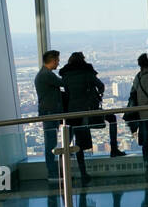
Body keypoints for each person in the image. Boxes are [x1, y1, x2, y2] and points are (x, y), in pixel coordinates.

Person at [58, 51, 105, 183]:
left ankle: (64, 172)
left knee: (67, 143)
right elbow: (101, 86)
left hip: (70, 112)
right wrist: (96, 96)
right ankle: (84, 173)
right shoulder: (87, 73)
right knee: (81, 143)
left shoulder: (65, 75)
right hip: (85, 111)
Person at [34, 50, 64, 182]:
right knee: (51, 144)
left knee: (51, 142)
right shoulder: (47, 75)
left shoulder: (43, 74)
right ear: (51, 60)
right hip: (49, 113)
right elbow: (63, 83)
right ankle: (52, 173)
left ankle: (53, 172)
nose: (58, 62)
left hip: (49, 112)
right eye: (57, 60)